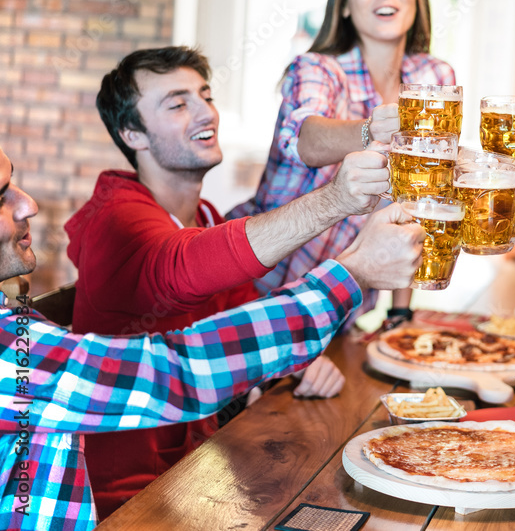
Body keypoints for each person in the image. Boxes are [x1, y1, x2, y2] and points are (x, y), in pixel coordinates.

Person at [0, 144, 423, 531]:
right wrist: (351, 272)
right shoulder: (118, 217)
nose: (28, 204)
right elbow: (174, 374)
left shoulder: (202, 212)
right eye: (1, 195)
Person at [66, 46, 394, 518]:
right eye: (177, 104)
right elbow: (184, 268)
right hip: (126, 503)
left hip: (202, 471)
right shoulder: (116, 221)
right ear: (131, 133)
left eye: (206, 95)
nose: (205, 112)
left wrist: (292, 360)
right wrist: (337, 200)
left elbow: (244, 310)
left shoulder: (201, 216)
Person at [229, 0, 455, 321]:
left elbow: (416, 207)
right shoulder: (317, 68)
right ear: (344, 4)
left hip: (342, 309)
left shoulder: (433, 77)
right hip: (259, 297)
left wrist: (399, 315)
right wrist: (372, 130)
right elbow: (307, 141)